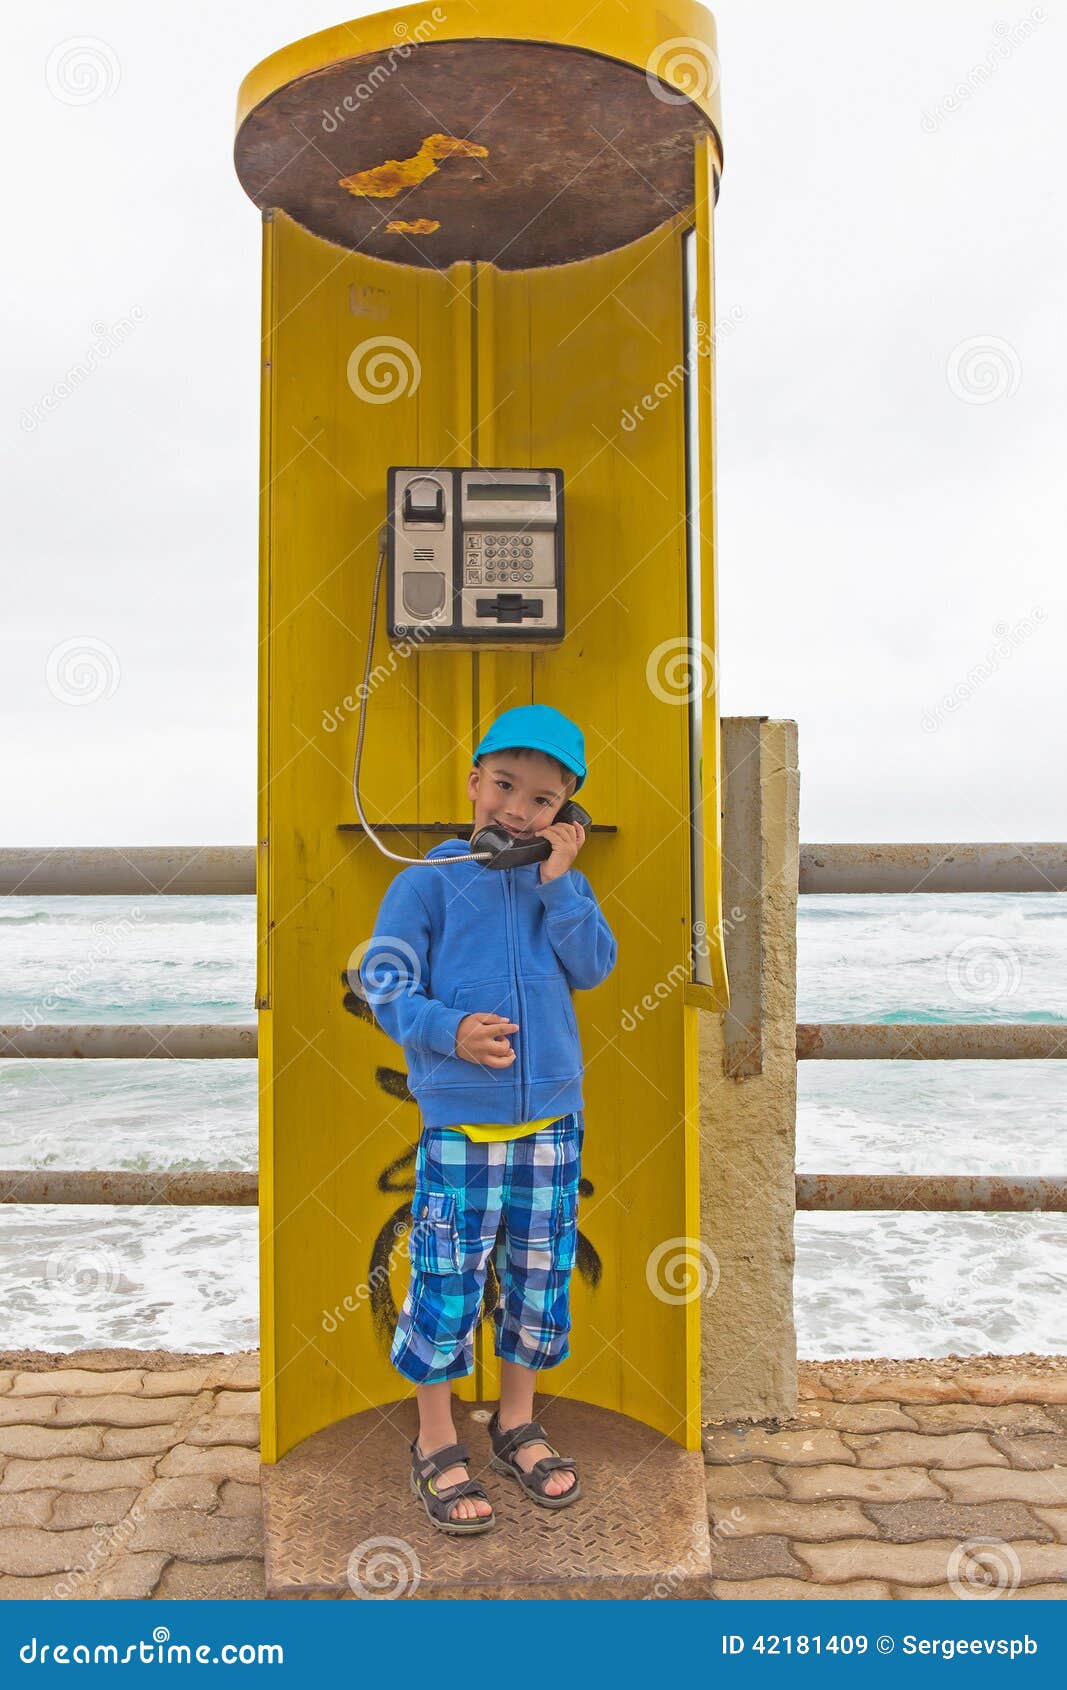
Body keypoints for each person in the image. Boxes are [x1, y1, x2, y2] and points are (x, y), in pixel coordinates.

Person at [359, 703, 617, 1533]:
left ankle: (515, 1420)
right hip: (461, 1127)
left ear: (564, 814)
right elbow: (386, 983)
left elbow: (596, 966)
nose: (517, 809)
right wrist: (448, 1031)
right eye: (504, 786)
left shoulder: (559, 889)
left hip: (549, 1122)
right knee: (446, 1284)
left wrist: (560, 886)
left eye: (542, 800)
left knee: (538, 1281)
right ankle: (435, 1434)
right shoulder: (424, 882)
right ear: (473, 783)